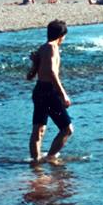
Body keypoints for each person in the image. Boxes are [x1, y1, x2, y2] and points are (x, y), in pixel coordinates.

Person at [27, 20, 73, 164]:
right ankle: (50, 158)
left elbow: (30, 76)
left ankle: (36, 164)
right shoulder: (52, 48)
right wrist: (63, 94)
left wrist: (35, 62)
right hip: (48, 91)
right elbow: (52, 72)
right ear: (61, 35)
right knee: (67, 129)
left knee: (38, 130)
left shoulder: (42, 48)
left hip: (39, 89)